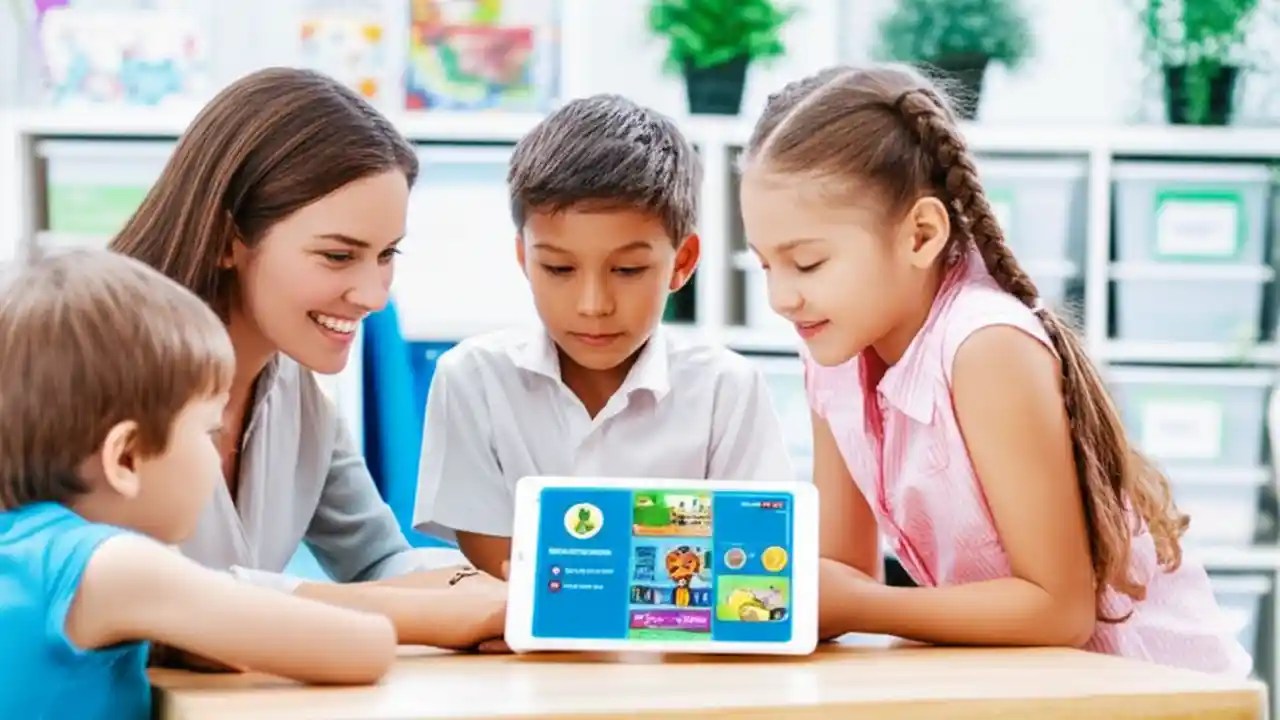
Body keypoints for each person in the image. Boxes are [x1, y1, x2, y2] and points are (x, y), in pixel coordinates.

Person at [738, 64, 1250, 676]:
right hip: (1028, 683)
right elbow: (841, 578)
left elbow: (1058, 611)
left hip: (1150, 688)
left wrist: (867, 604)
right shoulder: (832, 351)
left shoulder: (984, 346)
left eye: (808, 262)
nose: (780, 297)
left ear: (921, 236)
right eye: (766, 265)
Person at [109, 67, 505, 652]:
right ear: (226, 240)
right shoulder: (105, 381)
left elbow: (377, 559)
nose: (374, 295)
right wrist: (416, 616)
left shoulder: (295, 390)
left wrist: (498, 597)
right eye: (338, 256)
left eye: (386, 254)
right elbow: (159, 604)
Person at [0, 251, 398, 720]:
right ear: (125, 458)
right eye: (209, 431)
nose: (217, 453)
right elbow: (363, 648)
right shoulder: (115, 566)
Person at [412, 94, 797, 578]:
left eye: (628, 269)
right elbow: (496, 560)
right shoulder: (474, 378)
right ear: (523, 258)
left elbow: (753, 558)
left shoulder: (725, 387)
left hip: (684, 650)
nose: (593, 304)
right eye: (558, 268)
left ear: (682, 262)